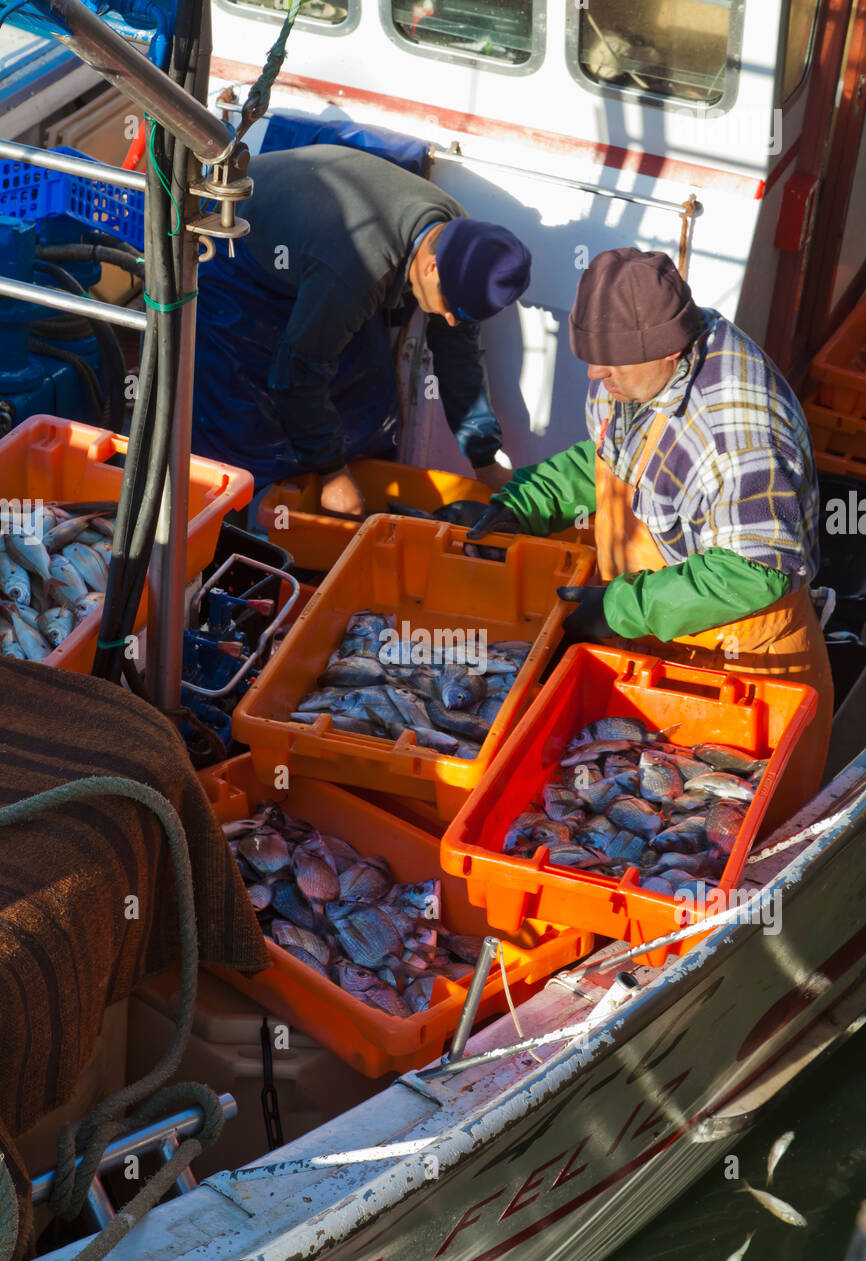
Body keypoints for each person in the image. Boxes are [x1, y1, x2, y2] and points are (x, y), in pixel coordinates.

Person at [467, 247, 834, 829]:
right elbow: (612, 455)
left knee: (727, 836)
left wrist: (618, 608)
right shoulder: (638, 369)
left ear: (668, 349)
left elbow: (753, 571)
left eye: (607, 365)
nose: (593, 374)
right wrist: (526, 504)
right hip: (656, 632)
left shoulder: (739, 432)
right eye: (588, 358)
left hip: (745, 666)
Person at [191, 144, 531, 518]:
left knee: (365, 391)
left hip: (321, 248)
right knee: (241, 417)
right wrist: (333, 474)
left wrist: (484, 458)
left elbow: (459, 356)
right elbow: (297, 374)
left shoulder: (458, 238)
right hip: (236, 238)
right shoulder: (358, 269)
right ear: (432, 269)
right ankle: (237, 518)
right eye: (452, 310)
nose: (451, 322)